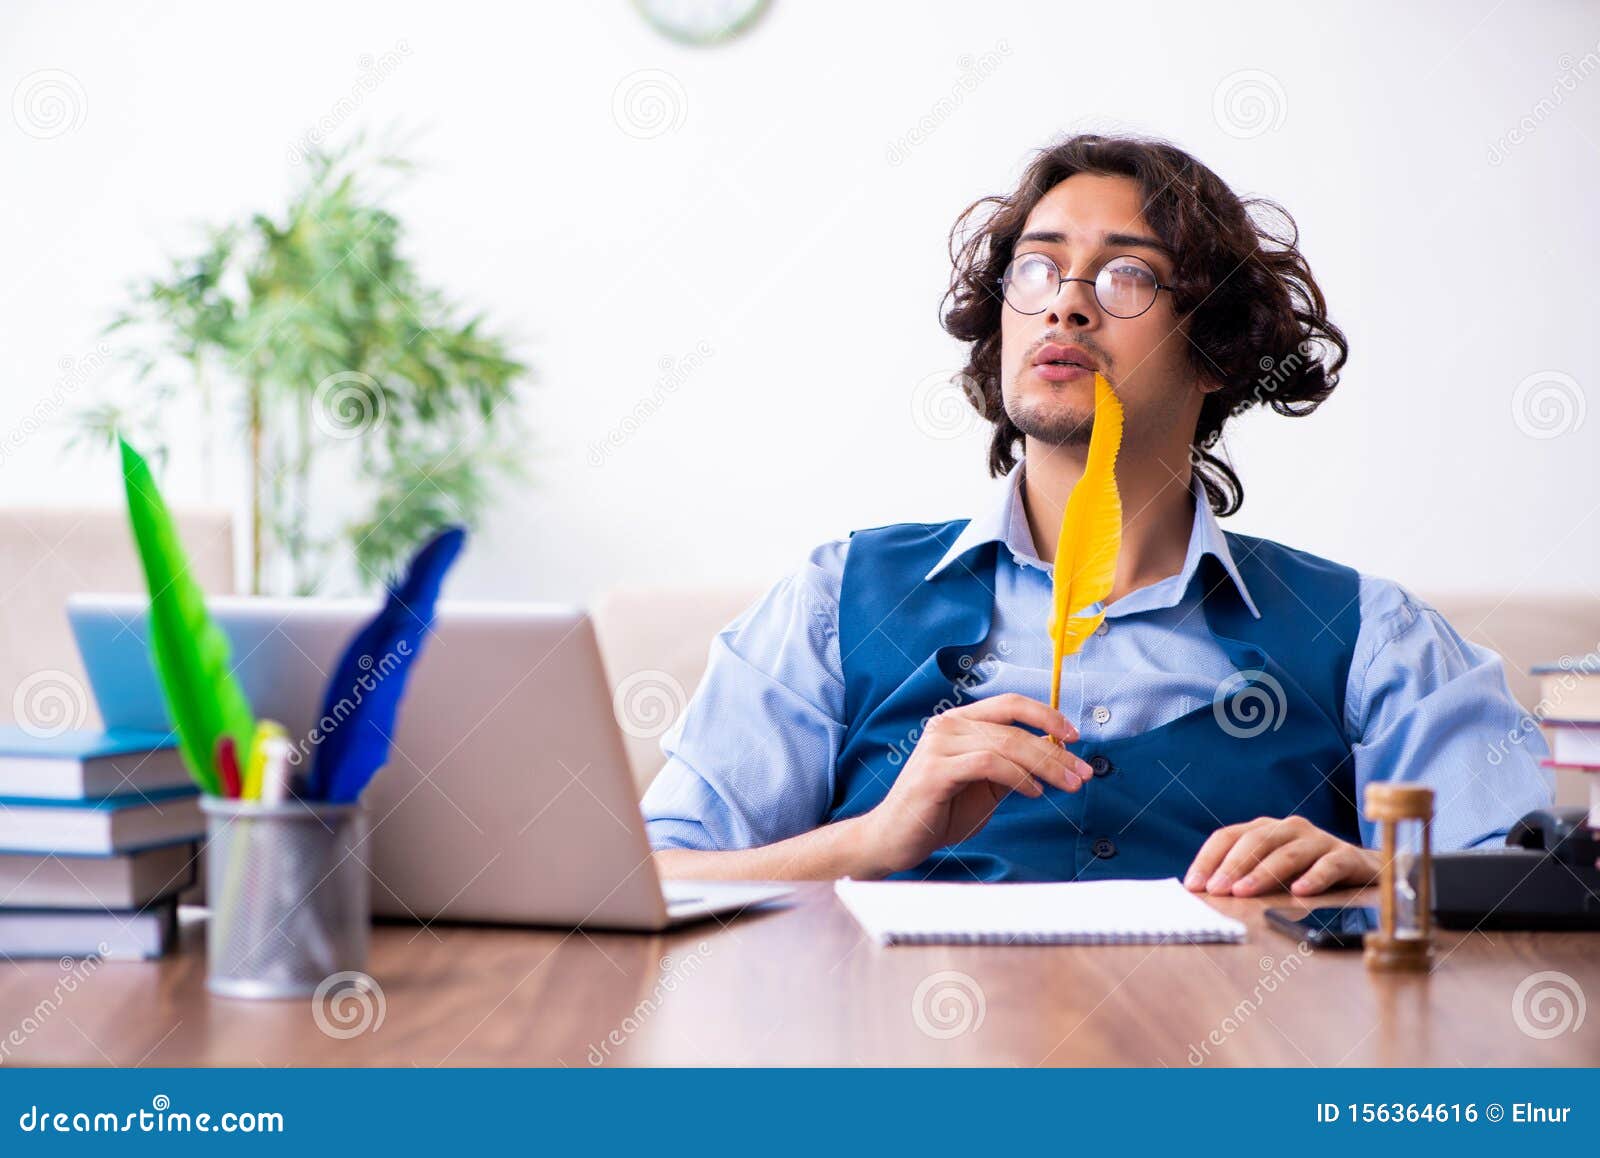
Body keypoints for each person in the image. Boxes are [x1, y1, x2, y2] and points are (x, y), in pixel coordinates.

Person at [641, 133, 1552, 896]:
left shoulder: (1371, 636)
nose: (1067, 303)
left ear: (1217, 351)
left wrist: (1380, 874)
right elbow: (653, 878)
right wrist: (870, 842)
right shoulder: (833, 600)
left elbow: (1543, 881)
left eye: (1126, 275)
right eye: (1037, 268)